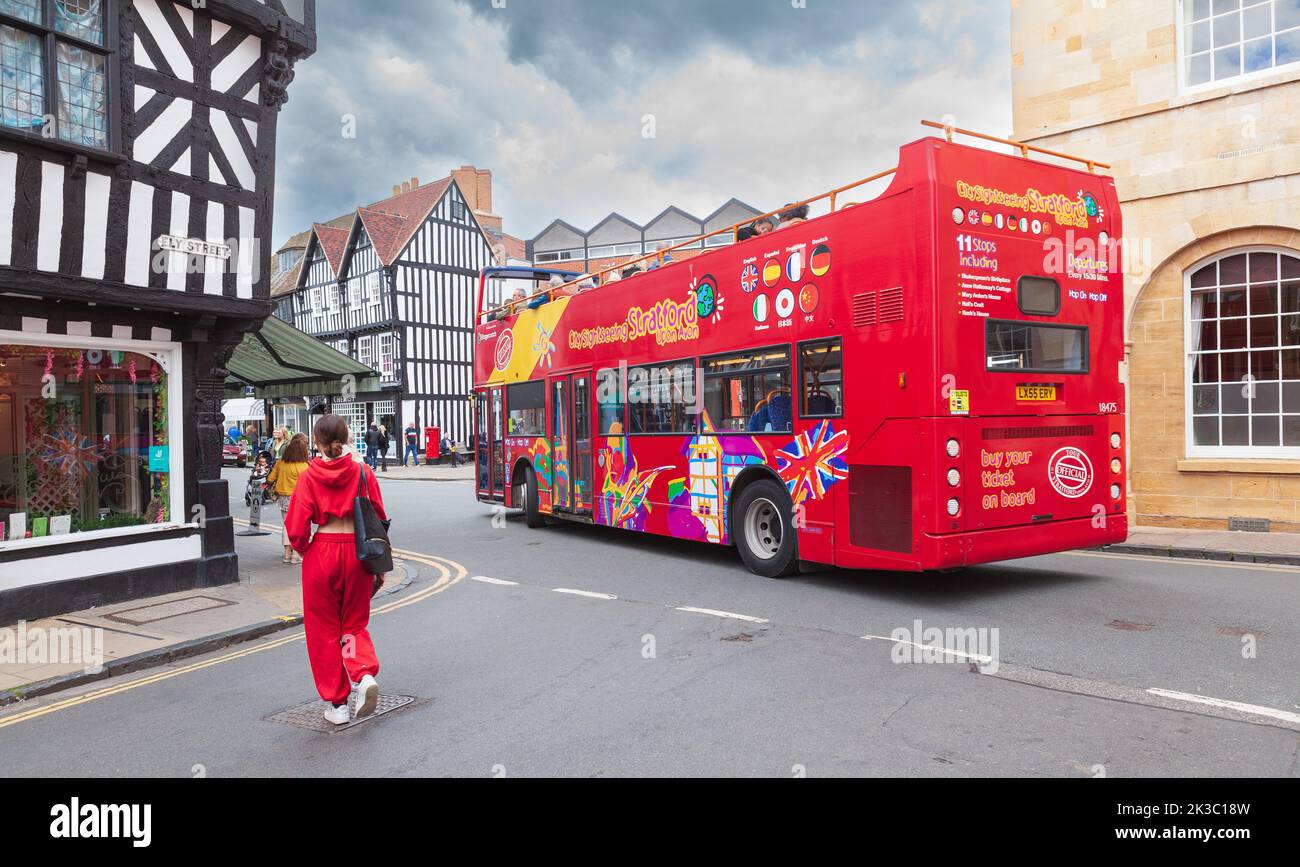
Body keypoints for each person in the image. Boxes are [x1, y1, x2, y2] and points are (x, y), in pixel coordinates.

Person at [285, 415, 388, 726]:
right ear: (346, 438)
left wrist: (306, 550)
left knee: (323, 632)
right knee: (353, 624)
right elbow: (379, 518)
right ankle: (364, 674)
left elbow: (296, 529)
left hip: (323, 552)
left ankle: (338, 704)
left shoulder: (308, 476)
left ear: (317, 442)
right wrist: (379, 567)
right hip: (358, 554)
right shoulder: (363, 472)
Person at [267, 433, 310, 564]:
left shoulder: (280, 463)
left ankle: (287, 553)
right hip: (299, 499)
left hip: (283, 498)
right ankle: (296, 554)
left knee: (286, 524)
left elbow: (270, 479)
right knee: (298, 525)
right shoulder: (304, 466)